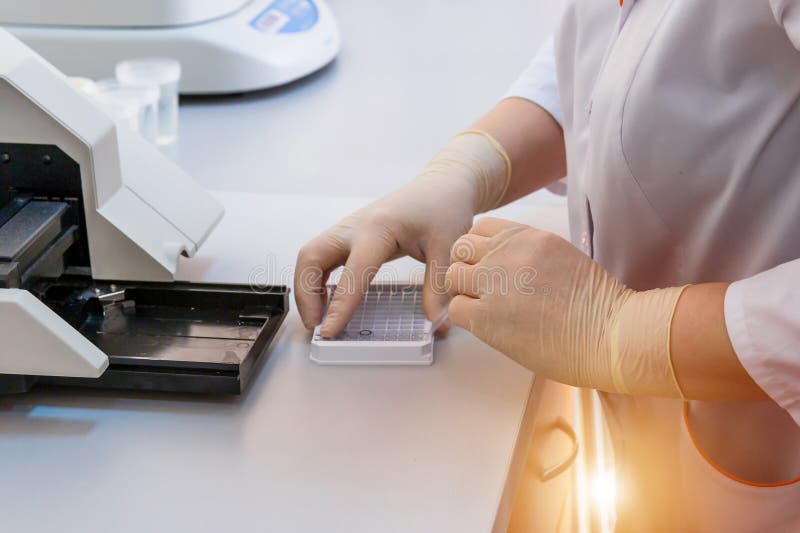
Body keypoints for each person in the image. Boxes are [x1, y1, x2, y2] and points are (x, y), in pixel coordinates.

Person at [295, 0, 800, 529]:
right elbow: (615, 54)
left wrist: (623, 331)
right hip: (655, 448)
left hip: (767, 438)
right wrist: (469, 167)